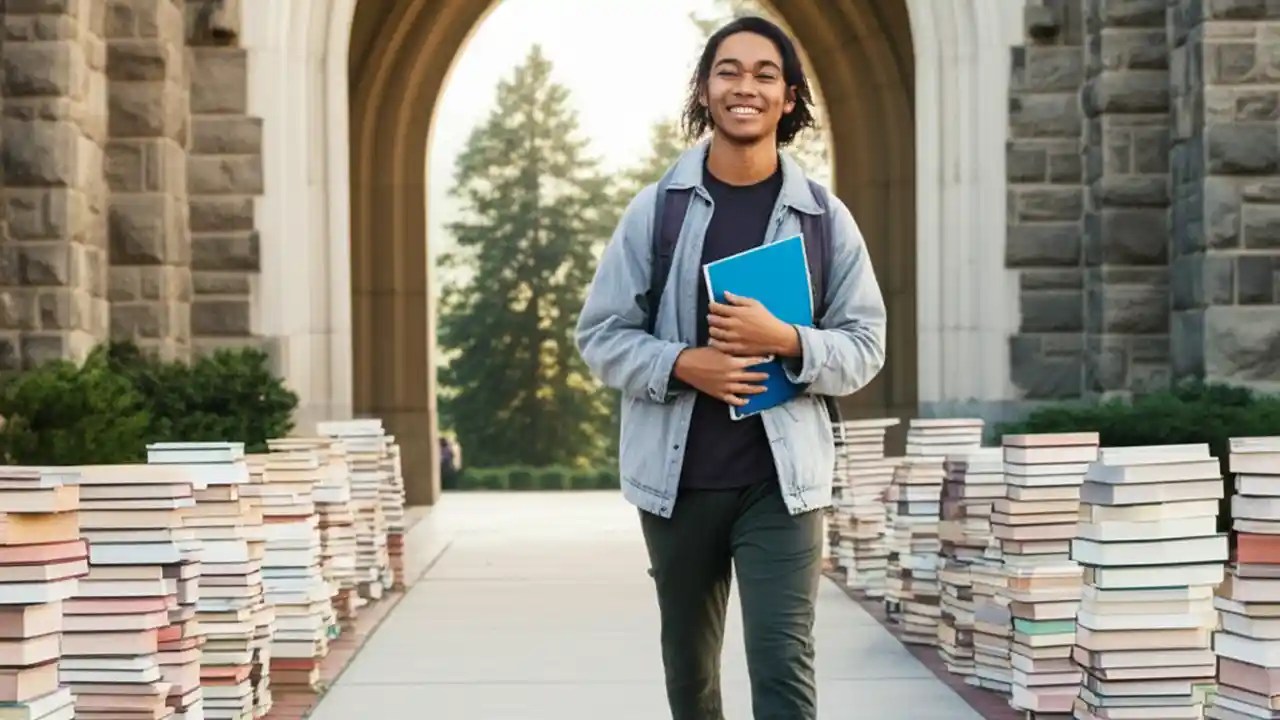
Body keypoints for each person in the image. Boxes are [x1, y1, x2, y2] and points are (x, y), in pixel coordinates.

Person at [575, 14, 887, 720]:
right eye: (729, 70)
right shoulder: (656, 212)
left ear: (788, 99)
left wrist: (788, 340)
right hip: (678, 485)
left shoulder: (823, 219)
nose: (745, 86)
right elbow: (600, 334)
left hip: (782, 483)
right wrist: (686, 363)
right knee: (690, 674)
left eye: (765, 74)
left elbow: (867, 344)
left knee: (782, 666)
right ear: (705, 90)